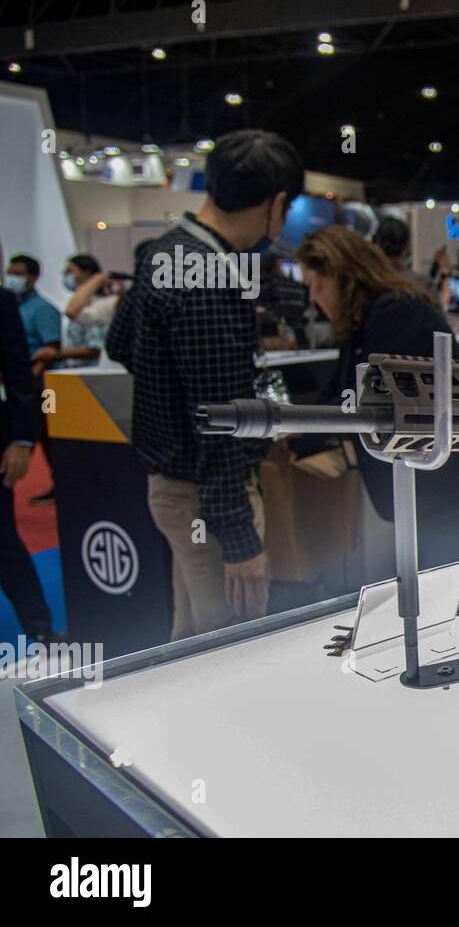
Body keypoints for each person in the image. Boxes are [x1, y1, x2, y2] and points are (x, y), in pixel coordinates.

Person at [107, 128, 304, 640]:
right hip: (208, 499)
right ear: (277, 203)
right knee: (225, 653)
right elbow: (221, 422)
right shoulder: (213, 276)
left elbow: (118, 343)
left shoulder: (164, 251)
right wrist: (240, 540)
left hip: (173, 489)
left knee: (190, 639)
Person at [297, 226, 459, 567]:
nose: (313, 297)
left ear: (337, 272)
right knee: (446, 589)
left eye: (314, 284)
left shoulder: (395, 314)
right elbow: (342, 393)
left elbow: (376, 403)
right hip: (437, 482)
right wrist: (297, 429)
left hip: (451, 484)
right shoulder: (372, 317)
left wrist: (300, 430)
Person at [0, 271, 54, 642]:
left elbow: (18, 374)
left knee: (4, 541)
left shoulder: (3, 301)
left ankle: (42, 633)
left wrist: (22, 440)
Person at [6, 254, 61, 505]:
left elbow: (51, 349)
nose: (12, 278)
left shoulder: (43, 309)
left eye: (18, 273)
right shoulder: (14, 305)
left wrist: (30, 377)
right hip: (26, 385)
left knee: (49, 435)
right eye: (10, 272)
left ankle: (60, 482)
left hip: (45, 388)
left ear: (34, 276)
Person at [56, 254, 122, 368]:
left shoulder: (98, 303)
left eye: (70, 271)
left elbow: (95, 348)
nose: (66, 276)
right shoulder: (77, 302)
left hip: (91, 372)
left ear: (86, 272)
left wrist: (56, 355)